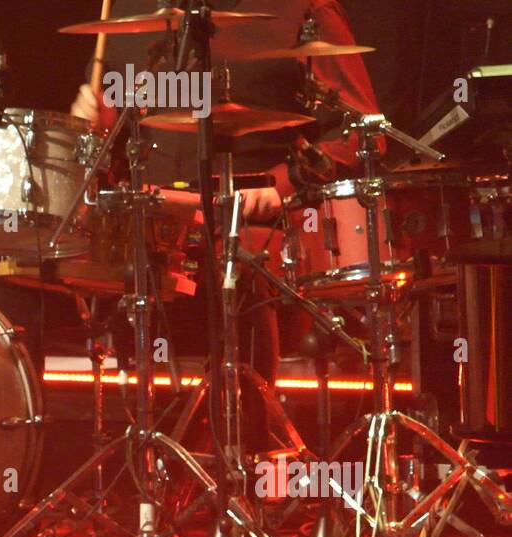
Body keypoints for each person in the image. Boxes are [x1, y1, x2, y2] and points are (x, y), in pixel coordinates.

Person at [69, 0, 379, 381]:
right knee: (47, 275)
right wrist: (96, 128)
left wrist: (282, 185)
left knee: (236, 265)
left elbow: (361, 134)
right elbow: (103, 144)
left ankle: (249, 424)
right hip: (157, 221)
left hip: (265, 221)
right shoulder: (126, 13)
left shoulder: (302, 10)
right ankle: (145, 425)